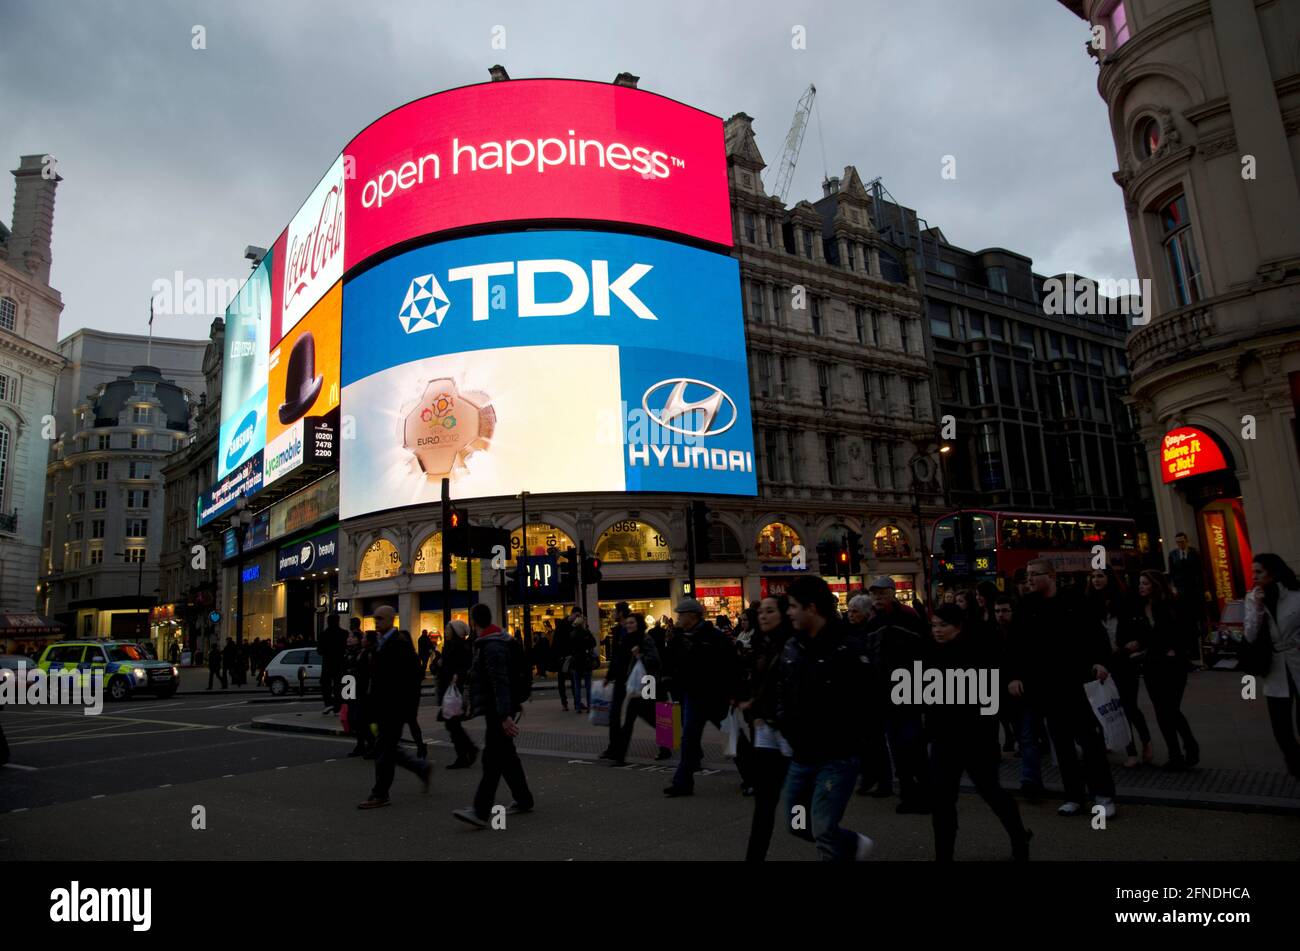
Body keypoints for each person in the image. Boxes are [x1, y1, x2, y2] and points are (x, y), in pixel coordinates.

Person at [774, 575, 874, 862]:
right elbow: (782, 687)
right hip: (801, 754)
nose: (789, 612)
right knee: (796, 823)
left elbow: (868, 700)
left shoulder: (848, 648)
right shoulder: (794, 645)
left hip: (837, 756)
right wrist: (785, 722)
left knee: (823, 829)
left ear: (812, 608)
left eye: (793, 606)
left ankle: (838, 845)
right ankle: (851, 844)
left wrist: (854, 740)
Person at [1007, 558, 1117, 817]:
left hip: (1078, 683)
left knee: (1090, 742)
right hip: (1046, 686)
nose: (1030, 579)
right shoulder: (1026, 607)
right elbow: (1015, 646)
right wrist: (1014, 676)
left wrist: (1101, 662)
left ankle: (1103, 795)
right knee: (1062, 745)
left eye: (1035, 574)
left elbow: (1096, 636)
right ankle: (1074, 795)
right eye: (1028, 575)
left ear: (1052, 576)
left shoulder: (1075, 602)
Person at [925, 604, 1032, 861]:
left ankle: (1018, 835)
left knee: (991, 792)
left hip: (975, 738)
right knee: (942, 800)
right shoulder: (931, 652)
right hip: (943, 737)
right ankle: (944, 854)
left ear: (958, 626)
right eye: (934, 626)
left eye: (943, 625)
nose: (937, 631)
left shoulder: (977, 650)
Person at [453, 603, 534, 827]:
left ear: (474, 621)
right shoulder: (497, 640)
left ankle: (480, 811)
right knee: (507, 757)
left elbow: (499, 681)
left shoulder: (492, 646)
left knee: (492, 759)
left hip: (498, 711)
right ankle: (523, 799)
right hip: (498, 708)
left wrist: (505, 714)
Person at [863, 577, 931, 813]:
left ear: (892, 593)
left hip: (908, 690)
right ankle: (907, 794)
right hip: (885, 694)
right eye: (875, 594)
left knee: (914, 745)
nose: (878, 598)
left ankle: (925, 794)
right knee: (897, 748)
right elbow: (871, 655)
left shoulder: (909, 617)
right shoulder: (873, 622)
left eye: (882, 593)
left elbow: (923, 651)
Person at [663, 597, 740, 798]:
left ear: (692, 616)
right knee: (688, 739)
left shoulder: (713, 637)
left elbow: (731, 665)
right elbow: (676, 664)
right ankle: (682, 783)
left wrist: (733, 693)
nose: (678, 617)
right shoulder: (681, 636)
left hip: (715, 696)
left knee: (733, 738)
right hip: (693, 696)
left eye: (681, 614)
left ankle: (754, 778)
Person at [358, 607, 432, 809]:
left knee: (383, 751)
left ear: (391, 619)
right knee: (388, 748)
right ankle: (421, 767)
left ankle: (380, 794)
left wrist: (407, 707)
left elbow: (412, 677)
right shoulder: (380, 643)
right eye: (375, 618)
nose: (376, 621)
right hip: (383, 706)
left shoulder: (399, 644)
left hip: (394, 707)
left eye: (380, 618)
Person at [744, 595, 795, 861]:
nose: (763, 615)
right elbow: (758, 682)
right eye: (761, 611)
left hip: (790, 732)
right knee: (764, 803)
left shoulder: (794, 645)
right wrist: (754, 709)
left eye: (770, 611)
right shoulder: (760, 643)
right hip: (766, 729)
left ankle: (844, 844)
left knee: (801, 813)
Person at [1086, 569, 1153, 769]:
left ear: (1109, 579)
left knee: (1128, 706)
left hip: (1124, 660)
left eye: (1100, 576)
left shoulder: (1124, 601)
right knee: (1111, 706)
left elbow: (1140, 627)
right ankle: (1128, 749)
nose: (1096, 580)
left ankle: (1145, 741)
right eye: (1094, 577)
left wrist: (1135, 643)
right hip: (1104, 662)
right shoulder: (1090, 604)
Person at [1134, 570, 1200, 770]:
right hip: (1152, 664)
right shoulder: (1140, 608)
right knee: (1161, 711)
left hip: (1172, 665)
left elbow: (1190, 630)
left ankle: (1190, 745)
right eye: (1140, 583)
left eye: (1145, 583)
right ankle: (1174, 754)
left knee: (1171, 709)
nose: (1141, 587)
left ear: (1155, 584)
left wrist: (1177, 650)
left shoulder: (1172, 604)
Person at [1244, 554, 1300, 777]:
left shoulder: (1295, 594)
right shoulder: (1253, 597)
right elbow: (1250, 634)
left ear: (1273, 572)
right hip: (1275, 665)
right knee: (1280, 725)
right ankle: (1295, 764)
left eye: (1259, 572)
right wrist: (1257, 607)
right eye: (1253, 572)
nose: (1254, 577)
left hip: (1296, 657)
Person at [995, 595, 1045, 796]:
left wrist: (1017, 678)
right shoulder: (994, 634)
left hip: (1028, 692)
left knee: (1027, 737)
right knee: (1023, 737)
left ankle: (1030, 782)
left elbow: (1032, 660)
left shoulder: (1025, 631)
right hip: (1006, 695)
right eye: (998, 611)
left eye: (1005, 610)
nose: (1001, 615)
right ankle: (1030, 779)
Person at [607, 613, 671, 764]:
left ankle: (665, 745)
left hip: (647, 683)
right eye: (627, 623)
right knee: (632, 719)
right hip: (635, 685)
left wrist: (639, 656)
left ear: (639, 624)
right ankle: (620, 756)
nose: (628, 625)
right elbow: (620, 660)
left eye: (632, 623)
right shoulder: (626, 639)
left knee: (650, 717)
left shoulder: (645, 638)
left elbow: (655, 661)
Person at [437, 619, 479, 769]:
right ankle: (467, 751)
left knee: (453, 725)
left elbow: (464, 667)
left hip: (454, 691)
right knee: (453, 725)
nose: (445, 631)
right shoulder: (449, 646)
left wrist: (456, 675)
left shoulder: (460, 646)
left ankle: (465, 753)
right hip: (449, 690)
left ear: (455, 631)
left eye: (448, 628)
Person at [600, 602, 633, 760]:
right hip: (622, 677)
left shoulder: (631, 630)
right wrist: (609, 676)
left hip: (638, 679)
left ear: (621, 613)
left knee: (648, 711)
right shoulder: (618, 630)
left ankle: (665, 744)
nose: (612, 613)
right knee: (614, 715)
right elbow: (616, 657)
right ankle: (615, 748)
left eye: (615, 611)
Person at [343, 628, 375, 758]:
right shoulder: (348, 652)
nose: (349, 639)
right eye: (349, 637)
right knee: (352, 718)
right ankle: (361, 744)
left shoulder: (363, 653)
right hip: (350, 687)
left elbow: (366, 673)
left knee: (359, 719)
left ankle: (369, 744)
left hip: (360, 689)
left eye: (352, 637)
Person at [319, 613, 347, 715]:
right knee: (338, 685)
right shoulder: (344, 633)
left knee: (325, 684)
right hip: (339, 663)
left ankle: (328, 703)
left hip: (327, 663)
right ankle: (337, 706)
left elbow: (319, 651)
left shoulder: (323, 634)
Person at [569, 612, 596, 713]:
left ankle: (578, 706)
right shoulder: (586, 633)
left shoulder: (572, 634)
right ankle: (589, 706)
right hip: (586, 661)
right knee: (588, 686)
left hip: (576, 662)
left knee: (577, 686)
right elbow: (594, 643)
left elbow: (570, 647)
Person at [552, 613, 573, 711]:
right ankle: (571, 702)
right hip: (566, 658)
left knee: (563, 681)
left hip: (563, 658)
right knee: (570, 680)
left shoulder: (560, 629)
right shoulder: (568, 628)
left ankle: (565, 703)